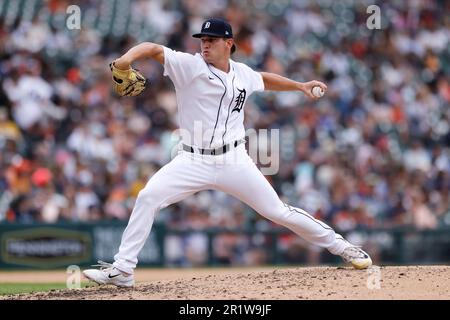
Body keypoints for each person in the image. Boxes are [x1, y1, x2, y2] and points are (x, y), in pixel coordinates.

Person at [83, 18, 371, 287]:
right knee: (147, 197)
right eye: (202, 39)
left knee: (277, 211)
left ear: (229, 43)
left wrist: (299, 86)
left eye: (212, 39)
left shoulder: (242, 73)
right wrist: (125, 61)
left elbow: (263, 79)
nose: (205, 44)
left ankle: (342, 246)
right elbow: (153, 48)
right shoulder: (189, 66)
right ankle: (123, 269)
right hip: (192, 159)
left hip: (234, 160)